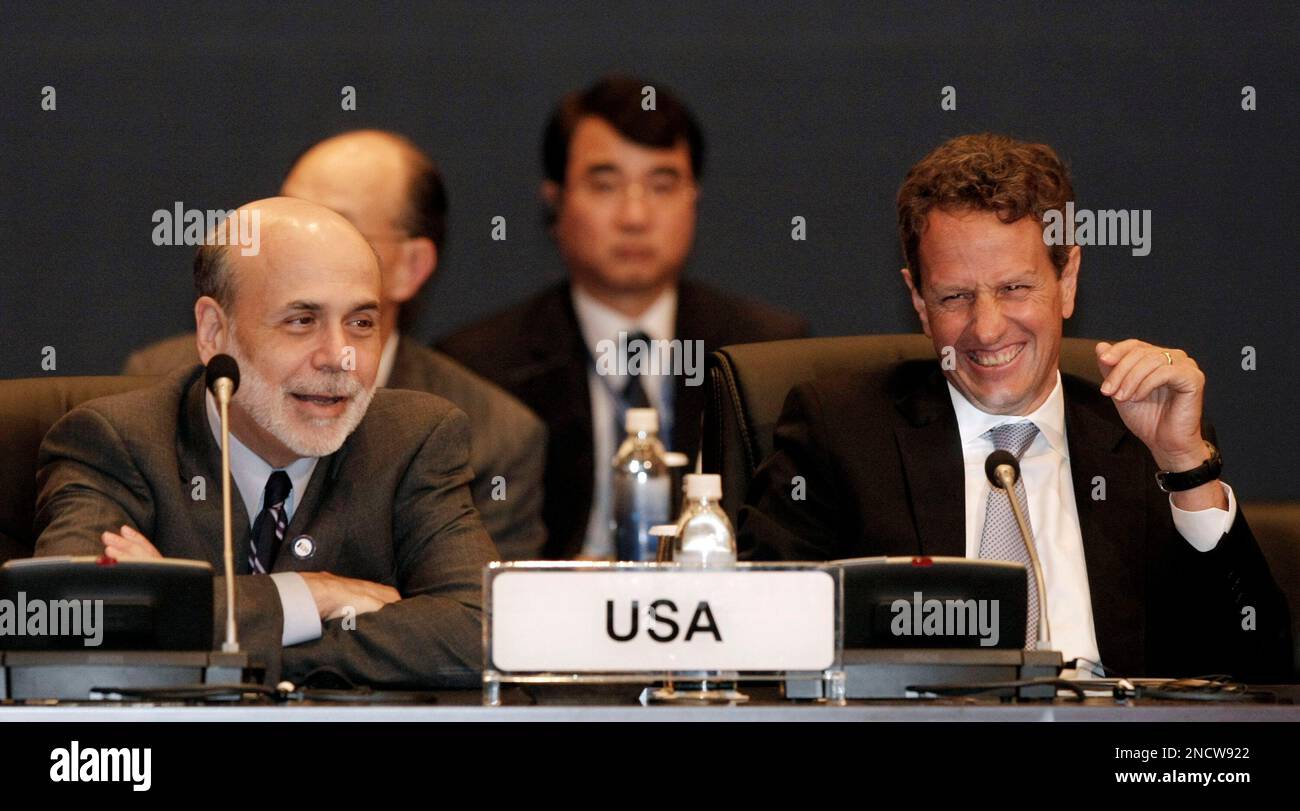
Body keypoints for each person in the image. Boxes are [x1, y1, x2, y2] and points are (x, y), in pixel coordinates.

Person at [738, 133, 1290, 680]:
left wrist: (1186, 468)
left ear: (1067, 281)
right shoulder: (841, 433)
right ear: (919, 302)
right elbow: (759, 646)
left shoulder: (1142, 445)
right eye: (955, 296)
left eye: (1015, 289)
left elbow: (1260, 668)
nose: (987, 327)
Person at [38, 197, 496, 688]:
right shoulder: (119, 442)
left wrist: (224, 642)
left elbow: (479, 632)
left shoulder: (411, 441)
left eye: (361, 323)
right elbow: (70, 618)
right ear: (215, 332)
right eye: (302, 321)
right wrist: (309, 596)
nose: (339, 358)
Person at [123, 130, 547, 560]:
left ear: (411, 266)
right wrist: (314, 598)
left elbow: (479, 616)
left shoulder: (490, 435)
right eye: (292, 215)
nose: (306, 240)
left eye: (339, 223)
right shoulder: (156, 385)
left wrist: (194, 599)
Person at [439, 75, 808, 560]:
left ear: (693, 199)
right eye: (605, 184)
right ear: (554, 202)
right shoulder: (477, 368)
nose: (635, 216)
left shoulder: (765, 354)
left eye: (662, 184)